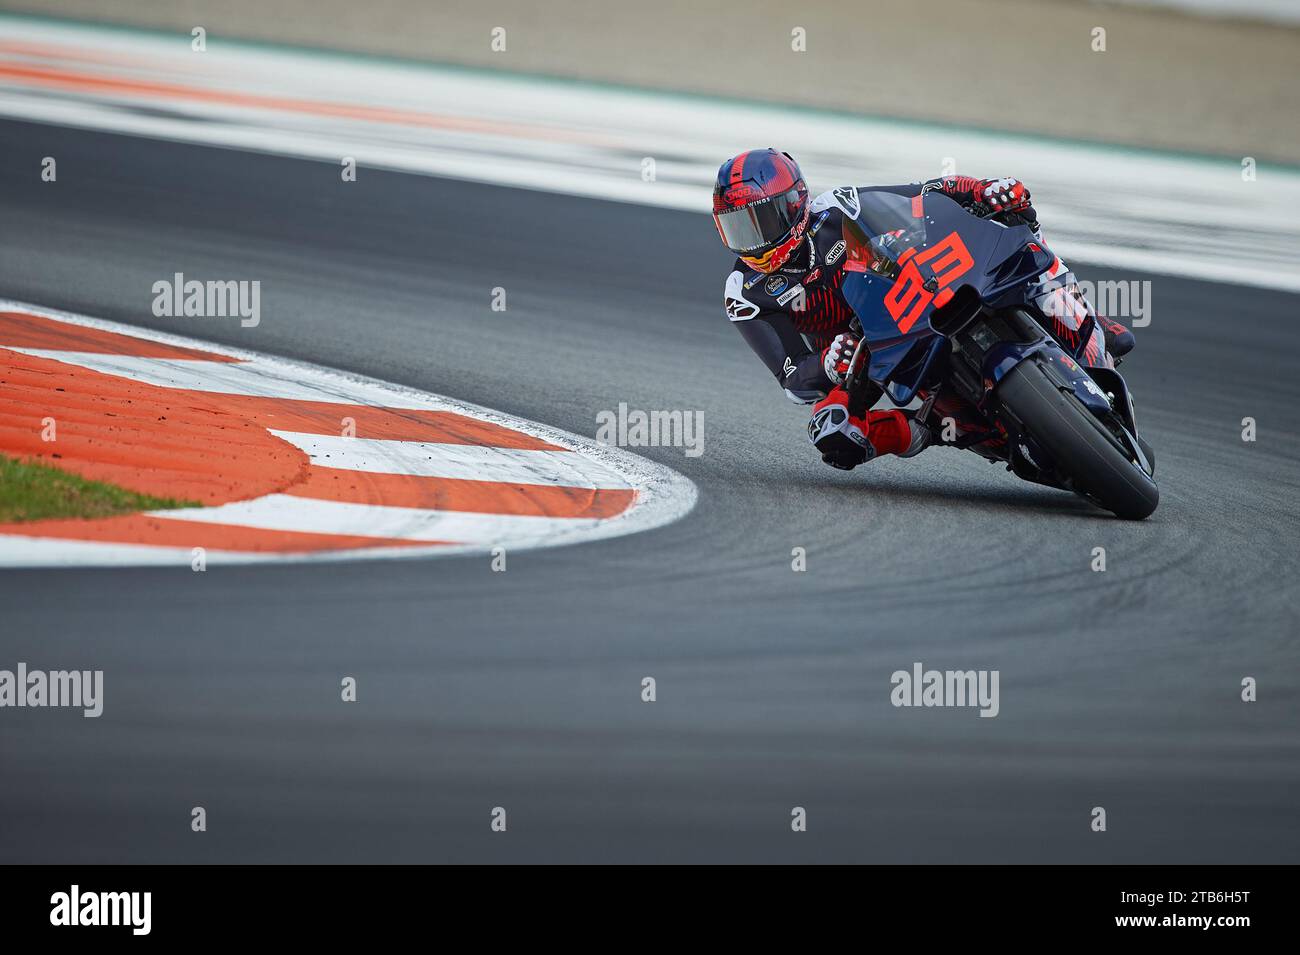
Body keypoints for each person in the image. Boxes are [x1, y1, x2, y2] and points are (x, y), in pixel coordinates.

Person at [713, 148, 1134, 470]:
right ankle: (933, 430)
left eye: (760, 221)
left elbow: (923, 196)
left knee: (1011, 217)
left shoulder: (839, 208)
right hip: (862, 354)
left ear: (793, 205)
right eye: (736, 226)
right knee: (832, 429)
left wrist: (981, 191)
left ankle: (1088, 321)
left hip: (909, 292)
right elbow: (791, 376)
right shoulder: (745, 292)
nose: (753, 239)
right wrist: (827, 364)